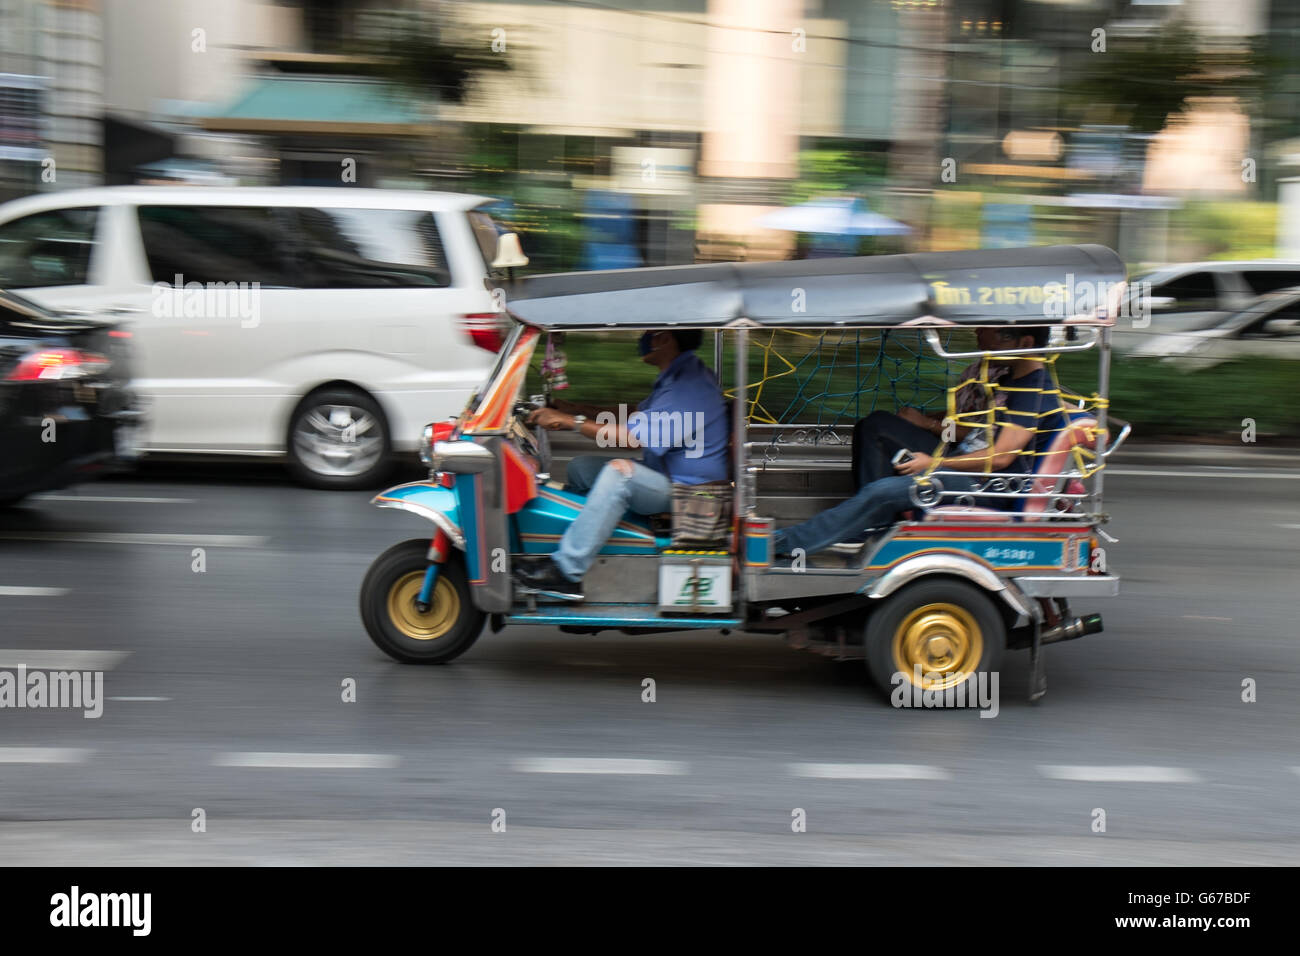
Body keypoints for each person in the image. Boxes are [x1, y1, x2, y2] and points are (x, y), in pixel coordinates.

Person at [774, 325, 1065, 557]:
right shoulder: (1009, 379)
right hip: (972, 470)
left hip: (988, 486)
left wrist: (934, 462)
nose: (981, 344)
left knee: (882, 492)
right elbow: (975, 429)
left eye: (992, 340)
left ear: (1025, 343)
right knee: (879, 433)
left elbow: (1001, 457)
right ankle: (869, 523)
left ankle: (782, 544)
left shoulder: (1032, 390)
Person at [512, 329, 730, 600]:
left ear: (664, 339)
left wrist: (571, 422)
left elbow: (630, 437)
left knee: (619, 475)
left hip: (692, 493)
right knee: (581, 468)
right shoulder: (677, 377)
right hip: (670, 477)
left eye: (648, 333)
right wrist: (568, 408)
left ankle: (565, 570)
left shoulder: (688, 387)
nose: (642, 339)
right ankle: (586, 547)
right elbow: (631, 416)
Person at [851, 338, 1012, 488]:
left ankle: (874, 506)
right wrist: (924, 419)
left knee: (878, 425)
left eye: (986, 328)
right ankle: (866, 499)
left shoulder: (1003, 379)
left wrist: (928, 424)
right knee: (864, 426)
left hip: (959, 453)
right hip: (947, 441)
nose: (978, 332)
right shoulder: (977, 369)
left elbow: (975, 435)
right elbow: (958, 414)